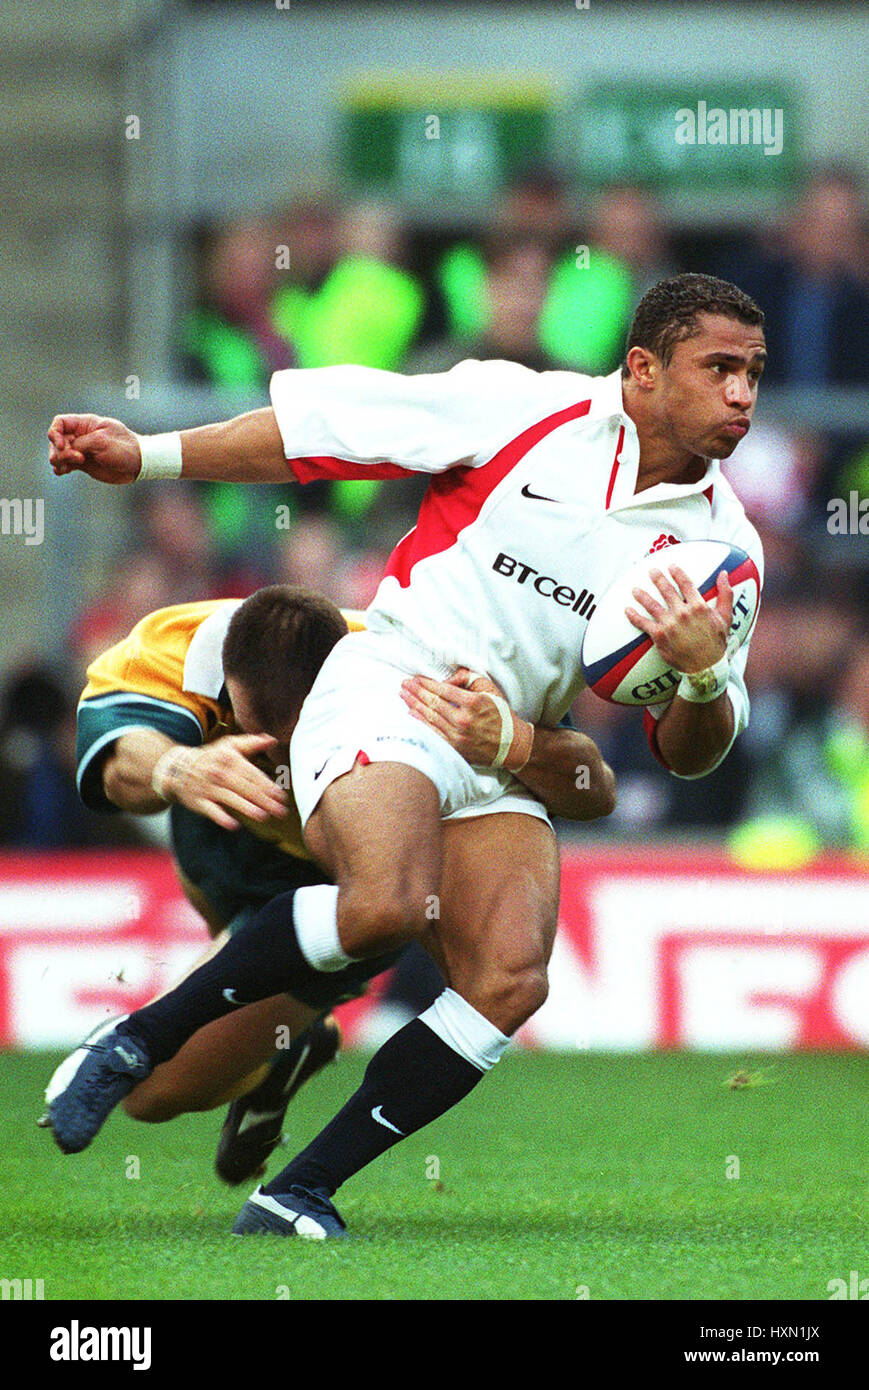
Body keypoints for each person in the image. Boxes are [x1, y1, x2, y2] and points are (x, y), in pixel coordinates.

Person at [46, 272, 764, 1239]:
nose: (741, 396)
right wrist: (153, 455)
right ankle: (134, 1041)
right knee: (387, 901)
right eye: (718, 369)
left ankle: (296, 1192)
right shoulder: (524, 408)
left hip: (504, 745)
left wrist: (702, 677)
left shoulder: (726, 552)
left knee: (511, 977)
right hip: (394, 681)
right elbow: (323, 431)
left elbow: (688, 756)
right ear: (641, 369)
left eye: (754, 374)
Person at [44, 585, 616, 1188]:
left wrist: (516, 743)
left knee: (153, 1095)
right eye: (270, 741)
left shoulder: (428, 672)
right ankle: (285, 1050)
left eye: (310, 737)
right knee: (178, 1054)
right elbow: (109, 760)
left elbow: (586, 781)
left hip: (349, 888)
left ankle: (282, 1053)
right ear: (230, 688)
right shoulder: (176, 646)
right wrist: (176, 766)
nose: (295, 758)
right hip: (224, 843)